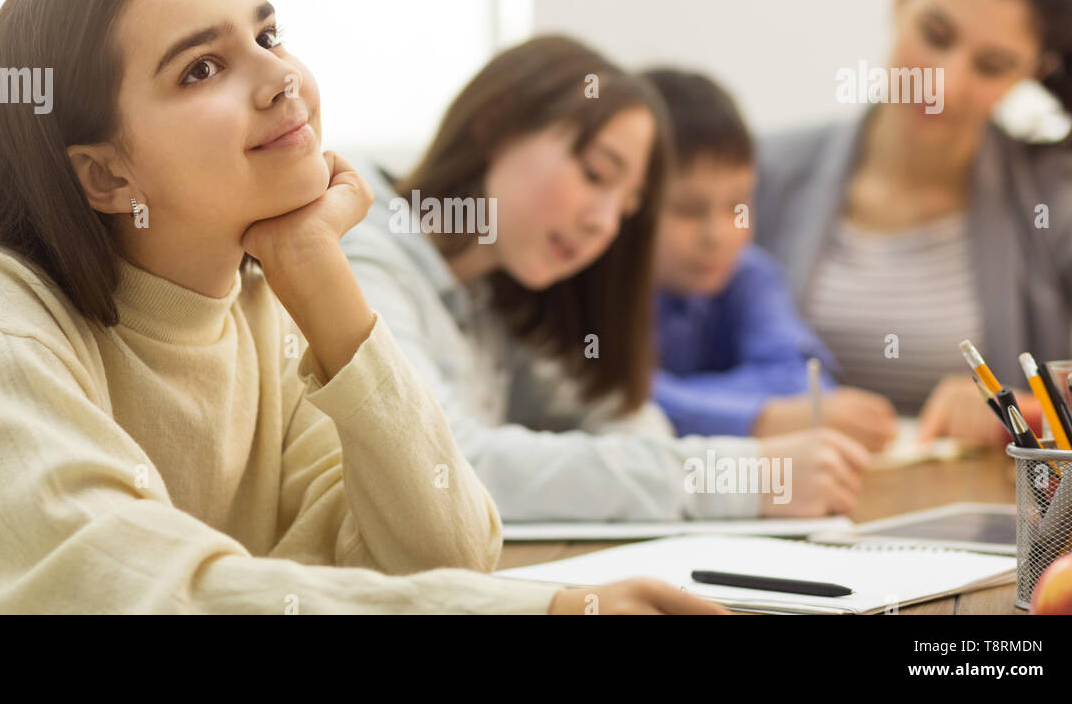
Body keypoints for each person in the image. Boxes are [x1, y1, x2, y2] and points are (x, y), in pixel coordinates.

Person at [0, 0, 718, 616]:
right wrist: (539, 609)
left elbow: (443, 551)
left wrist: (314, 268)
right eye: (202, 67)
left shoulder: (266, 308)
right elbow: (129, 590)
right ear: (105, 174)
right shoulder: (1, 305)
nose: (281, 79)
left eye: (270, 34)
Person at [341, 36, 869, 523]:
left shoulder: (489, 289)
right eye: (595, 175)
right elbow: (449, 467)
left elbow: (616, 413)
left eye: (627, 207)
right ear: (496, 123)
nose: (603, 224)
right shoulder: (363, 258)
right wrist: (740, 477)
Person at [756, 0, 1072, 444]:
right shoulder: (767, 175)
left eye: (992, 65)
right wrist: (758, 416)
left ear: (1034, 71)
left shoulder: (1056, 200)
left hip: (982, 522)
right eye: (935, 35)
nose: (945, 84)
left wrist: (1027, 412)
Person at [643, 68, 898, 451]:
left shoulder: (749, 274)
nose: (718, 234)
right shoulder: (598, 292)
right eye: (687, 209)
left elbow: (801, 379)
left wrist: (683, 401)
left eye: (737, 205)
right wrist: (764, 418)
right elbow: (616, 403)